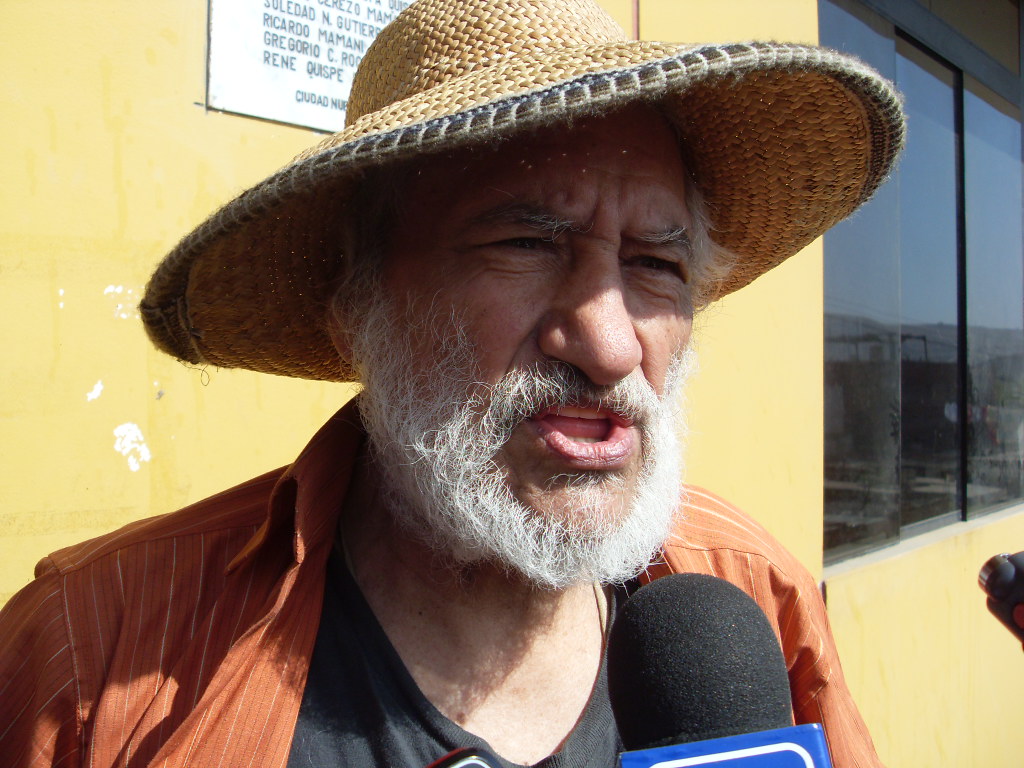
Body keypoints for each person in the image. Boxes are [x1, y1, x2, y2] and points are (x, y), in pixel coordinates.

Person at [0, 0, 904, 766]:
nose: (610, 345)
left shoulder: (759, 599)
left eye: (658, 262)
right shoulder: (96, 659)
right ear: (358, 300)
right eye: (526, 243)